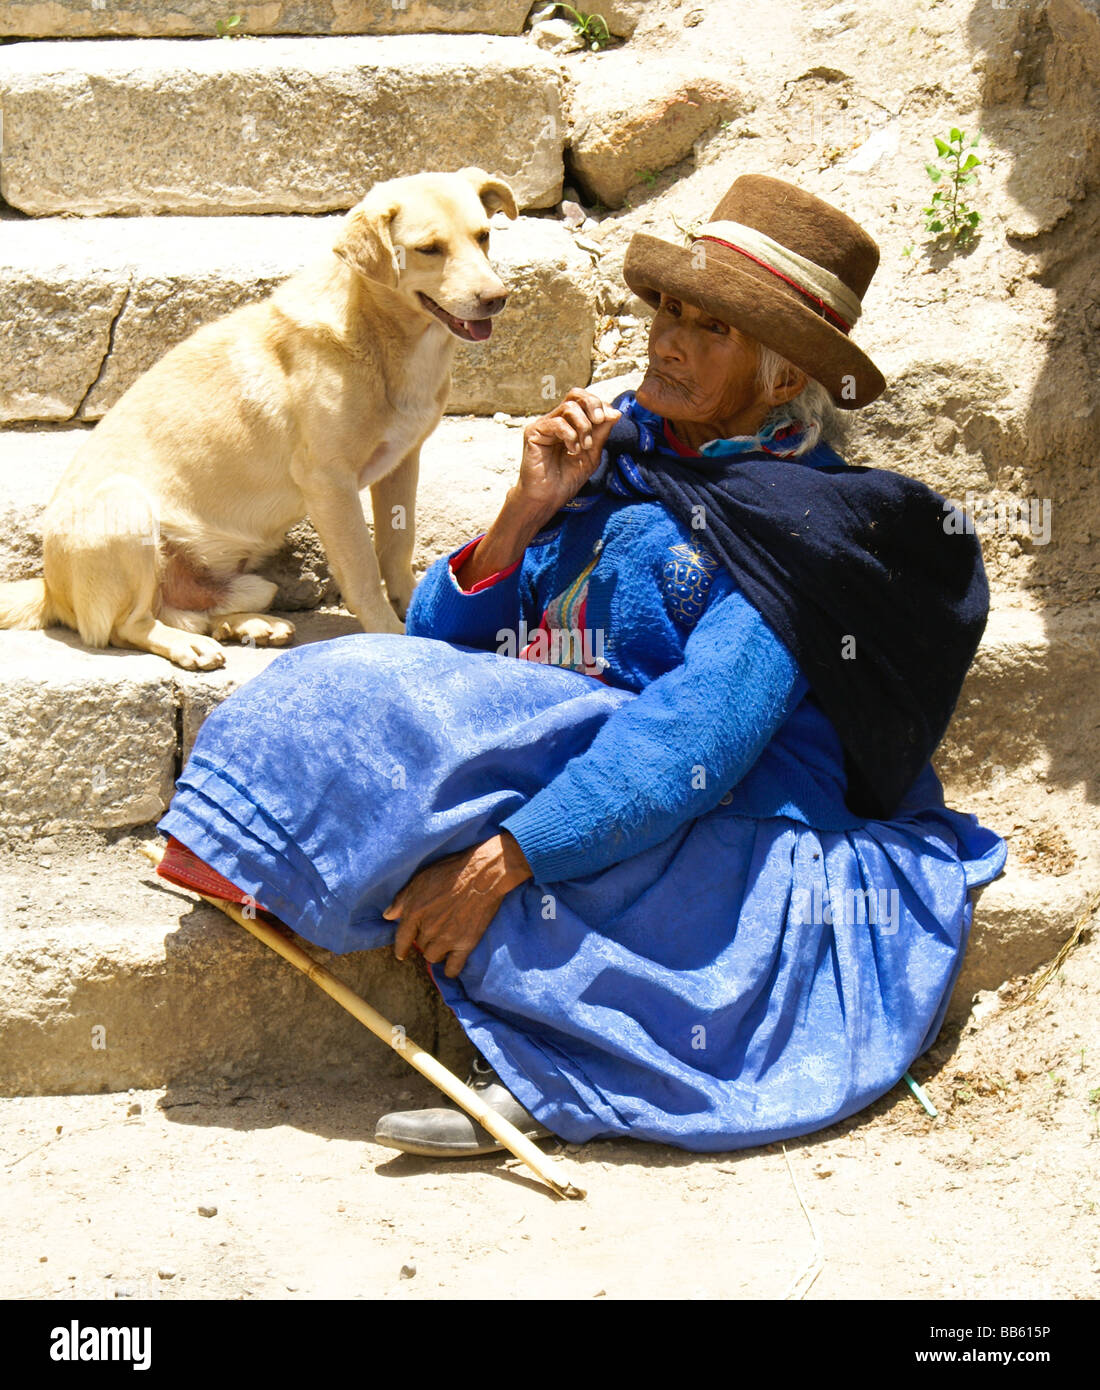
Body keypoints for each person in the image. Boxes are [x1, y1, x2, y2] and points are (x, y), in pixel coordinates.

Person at [155, 174, 1006, 1157]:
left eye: (713, 330)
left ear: (782, 381)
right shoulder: (625, 458)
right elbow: (433, 646)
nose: (669, 341)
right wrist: (523, 515)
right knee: (348, 680)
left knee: (584, 850)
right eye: (670, 310)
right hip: (589, 750)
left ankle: (563, 1072)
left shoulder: (805, 532)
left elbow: (697, 737)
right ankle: (285, 860)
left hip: (725, 804)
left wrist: (501, 861)